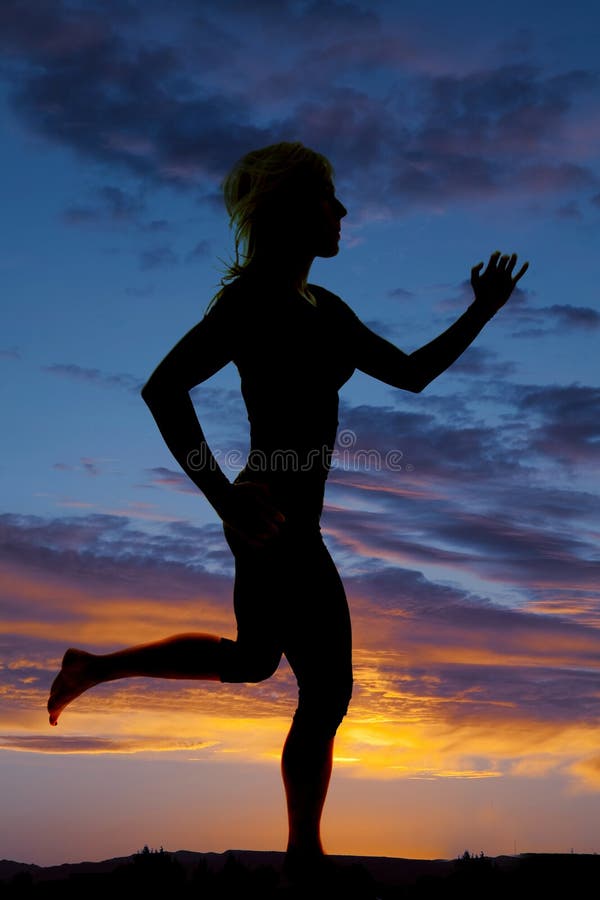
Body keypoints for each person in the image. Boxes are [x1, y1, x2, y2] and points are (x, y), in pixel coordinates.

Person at [47, 141, 528, 884]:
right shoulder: (252, 302)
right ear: (290, 211)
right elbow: (162, 390)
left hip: (291, 517)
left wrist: (481, 312)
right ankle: (304, 858)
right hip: (267, 513)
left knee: (255, 661)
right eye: (327, 201)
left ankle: (96, 667)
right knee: (324, 685)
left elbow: (411, 374)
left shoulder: (324, 307)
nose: (341, 213)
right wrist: (222, 498)